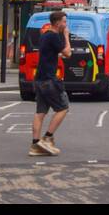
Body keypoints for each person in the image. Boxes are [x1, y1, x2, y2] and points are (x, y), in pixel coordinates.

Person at [30, 11, 69, 156]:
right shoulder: (53, 36)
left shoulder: (45, 35)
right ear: (58, 22)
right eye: (64, 22)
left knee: (40, 112)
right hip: (49, 80)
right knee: (63, 108)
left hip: (39, 79)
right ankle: (47, 138)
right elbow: (68, 53)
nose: (66, 25)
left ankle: (35, 145)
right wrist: (66, 35)